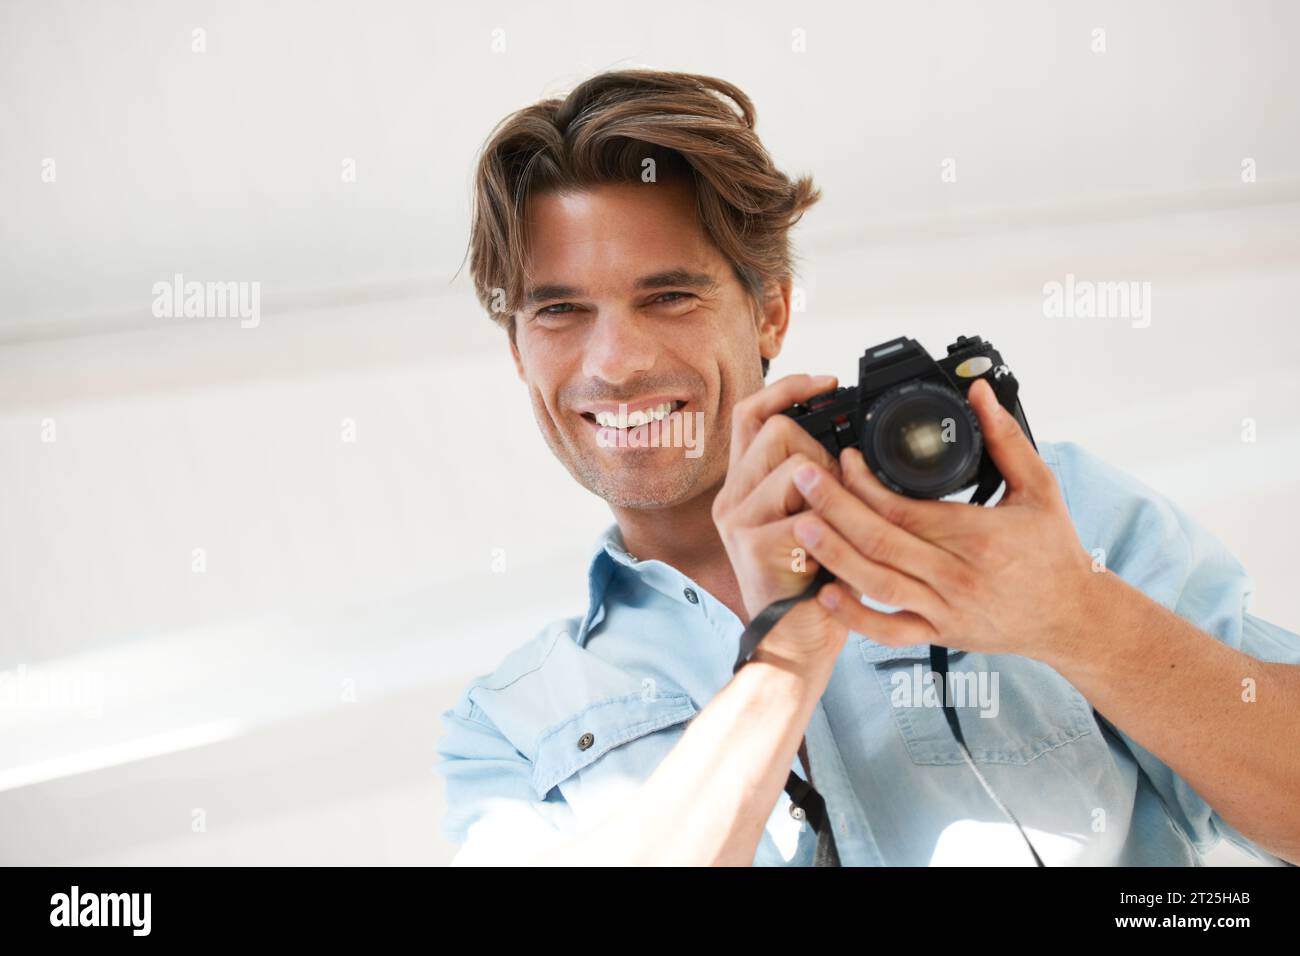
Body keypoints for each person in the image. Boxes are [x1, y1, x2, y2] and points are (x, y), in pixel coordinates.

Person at [434, 69, 1300, 866]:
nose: (615, 363)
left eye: (669, 296)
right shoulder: (509, 727)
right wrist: (783, 662)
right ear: (518, 350)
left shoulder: (1041, 521)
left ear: (770, 309)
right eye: (559, 311)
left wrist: (1077, 617)